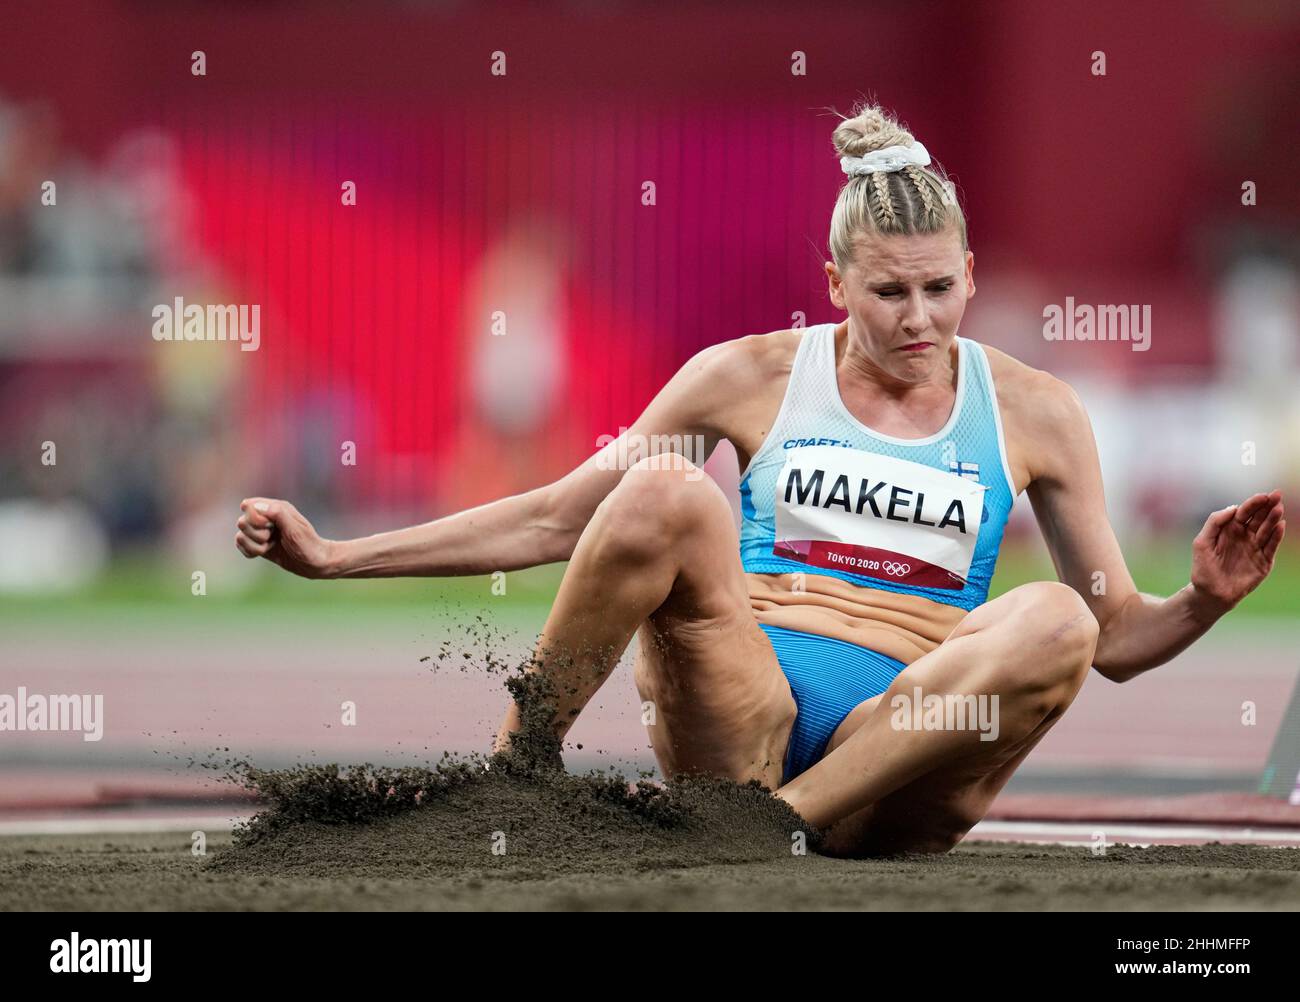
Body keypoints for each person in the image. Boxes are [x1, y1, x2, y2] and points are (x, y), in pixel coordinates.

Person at [235, 102, 1286, 856]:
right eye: (885, 294)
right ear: (834, 284)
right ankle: (513, 776)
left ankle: (779, 832)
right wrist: (332, 558)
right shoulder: (745, 376)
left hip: (903, 759)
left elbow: (1114, 645)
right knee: (662, 491)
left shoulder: (1036, 411)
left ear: (969, 275)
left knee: (1055, 615)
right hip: (741, 724)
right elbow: (563, 517)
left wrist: (1197, 599)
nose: (916, 320)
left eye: (936, 289)